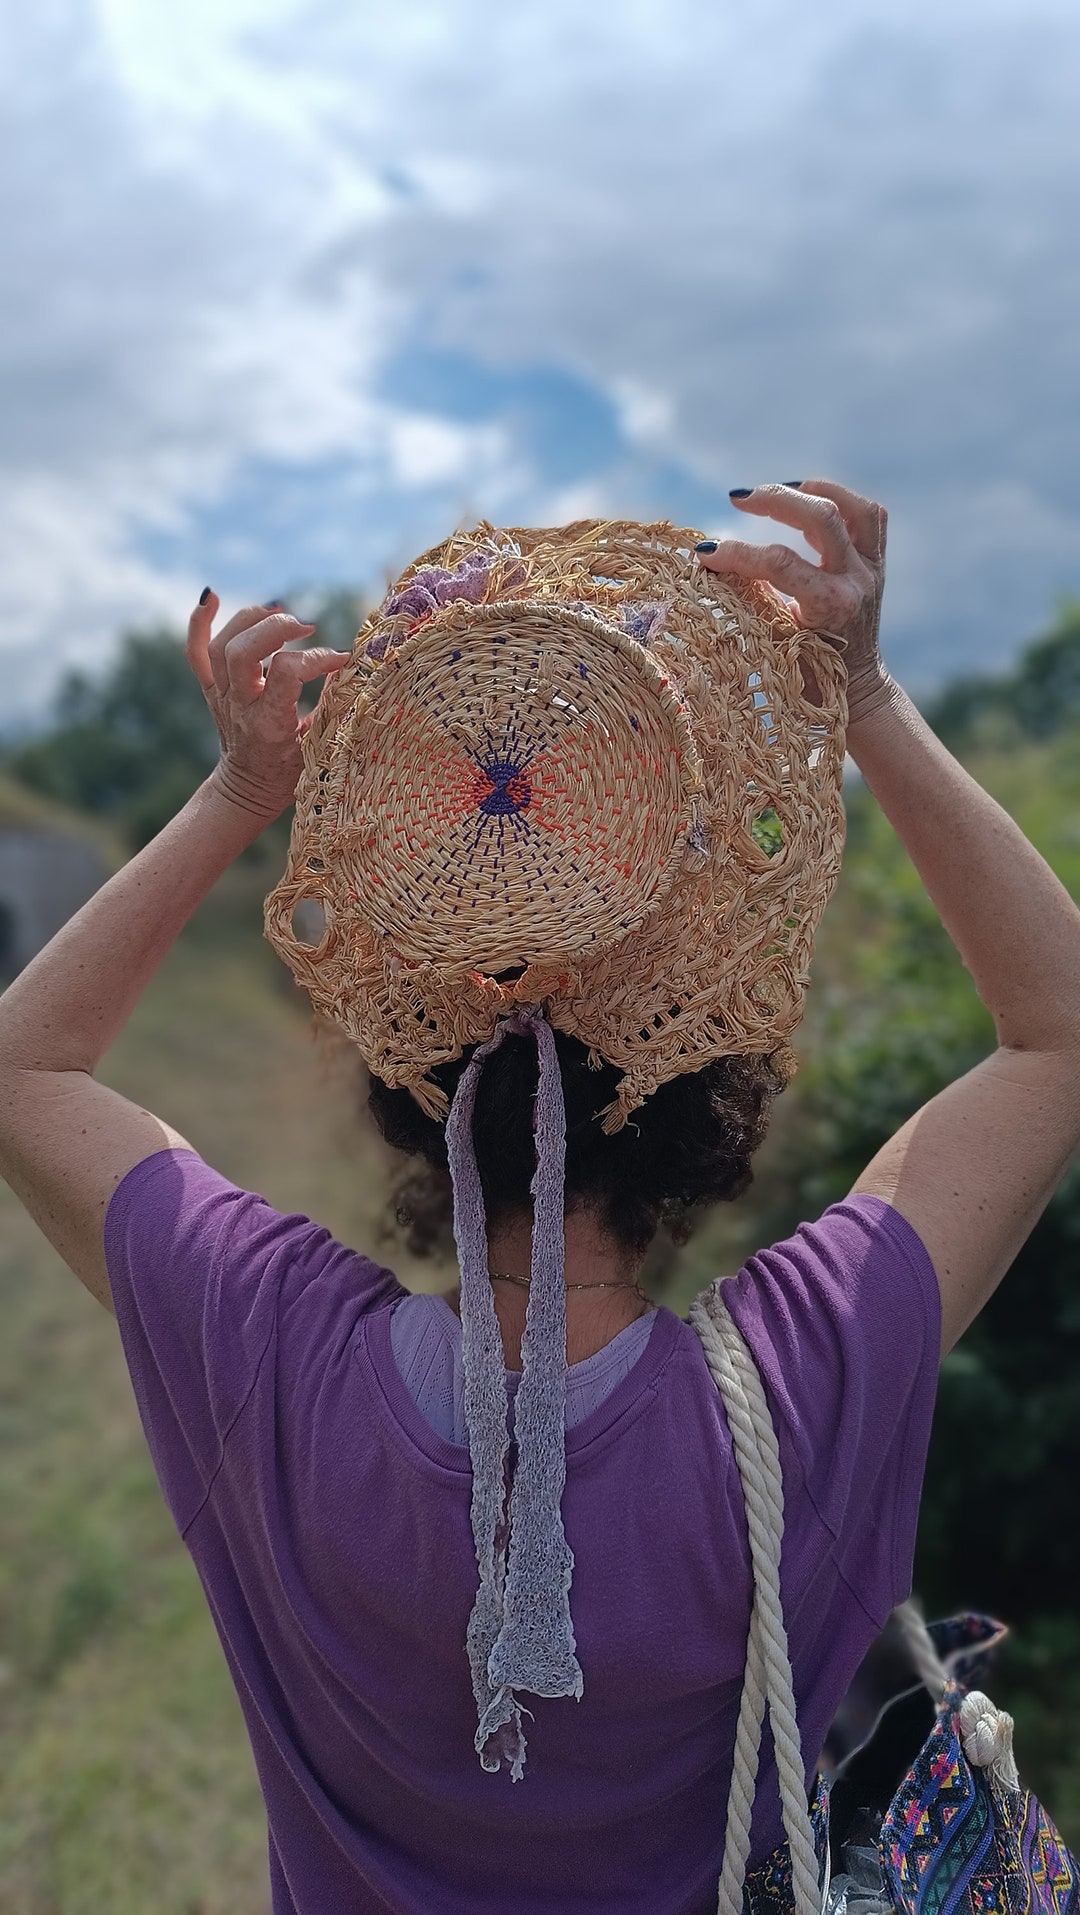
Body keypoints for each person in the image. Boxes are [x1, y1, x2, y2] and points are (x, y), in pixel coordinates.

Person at [1, 479, 1077, 1915]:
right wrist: (862, 695)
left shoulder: (262, 1354)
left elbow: (21, 1069)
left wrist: (241, 795)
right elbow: (1057, 1034)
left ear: (403, 1073)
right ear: (713, 1081)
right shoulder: (808, 1382)